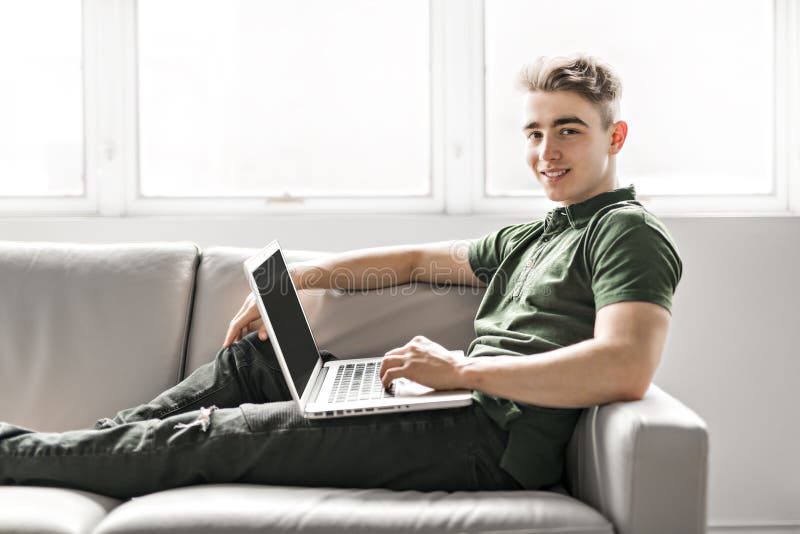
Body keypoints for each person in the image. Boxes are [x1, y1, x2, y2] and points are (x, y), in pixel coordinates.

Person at [0, 53, 681, 499]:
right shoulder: (540, 232)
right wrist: (309, 276)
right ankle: (73, 453)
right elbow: (418, 263)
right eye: (534, 133)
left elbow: (624, 367)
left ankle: (26, 457)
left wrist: (460, 373)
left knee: (211, 436)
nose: (546, 151)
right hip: (453, 406)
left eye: (568, 131)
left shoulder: (625, 231)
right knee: (248, 365)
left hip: (487, 437)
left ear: (613, 138)